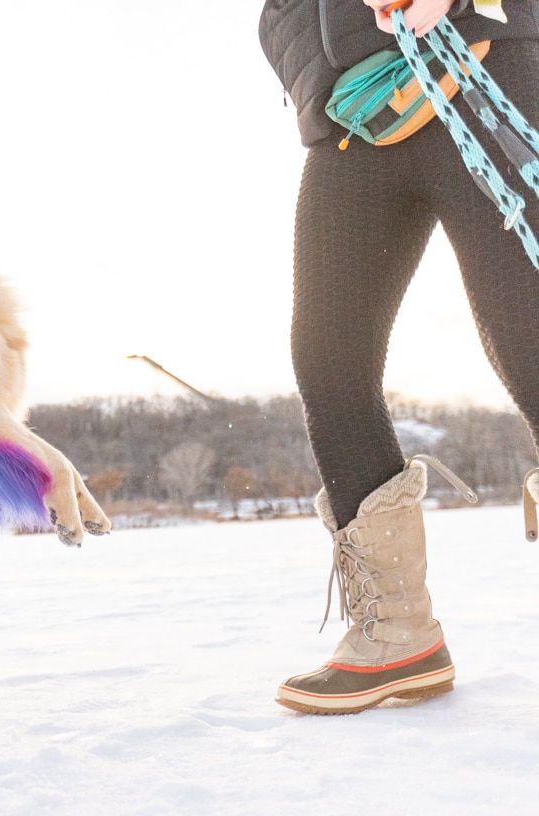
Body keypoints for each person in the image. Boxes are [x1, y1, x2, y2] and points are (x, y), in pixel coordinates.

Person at [258, 0, 539, 714]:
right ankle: (397, 636)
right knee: (328, 360)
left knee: (528, 338)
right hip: (354, 111)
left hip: (482, 59)